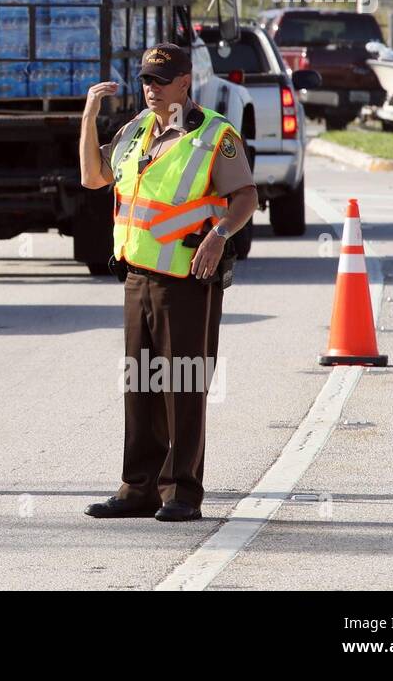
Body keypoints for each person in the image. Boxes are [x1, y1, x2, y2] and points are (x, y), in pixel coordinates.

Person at [78, 44, 258, 522]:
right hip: (137, 276)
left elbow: (245, 196)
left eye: (160, 80)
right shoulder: (136, 129)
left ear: (185, 82)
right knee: (140, 384)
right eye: (145, 80)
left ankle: (182, 491)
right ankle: (138, 488)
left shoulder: (214, 135)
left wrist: (220, 236)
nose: (151, 89)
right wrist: (89, 116)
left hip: (187, 277)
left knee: (184, 384)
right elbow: (92, 177)